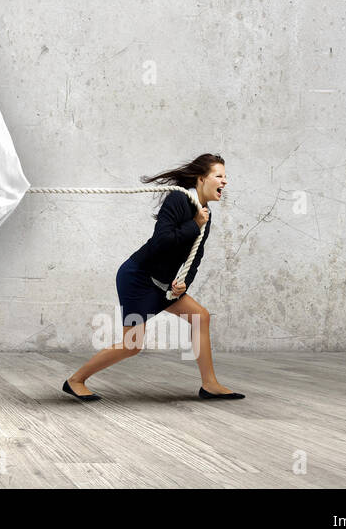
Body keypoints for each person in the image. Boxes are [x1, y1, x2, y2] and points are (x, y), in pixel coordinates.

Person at [62, 153, 244, 401]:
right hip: (138, 278)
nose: (225, 181)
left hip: (163, 285)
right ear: (201, 179)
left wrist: (184, 284)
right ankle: (75, 381)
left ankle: (210, 384)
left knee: (200, 316)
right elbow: (162, 241)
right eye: (219, 176)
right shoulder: (178, 199)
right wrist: (194, 223)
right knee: (131, 345)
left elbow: (196, 255)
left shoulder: (204, 213)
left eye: (225, 176)